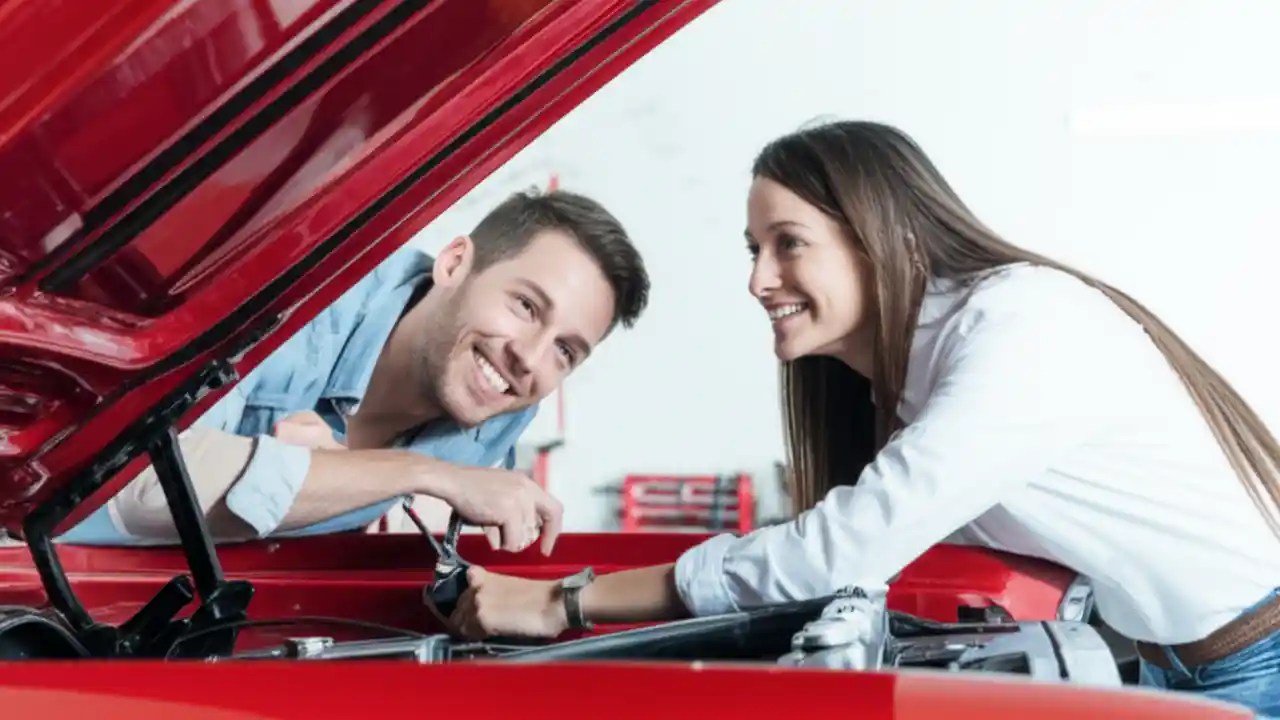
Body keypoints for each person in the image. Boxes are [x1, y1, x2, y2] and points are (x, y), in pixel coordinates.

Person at [448, 121, 1280, 716]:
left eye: (788, 242)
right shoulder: (914, 380)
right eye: (753, 249)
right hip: (1181, 665)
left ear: (878, 235)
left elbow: (836, 550)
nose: (759, 281)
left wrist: (563, 604)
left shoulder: (1019, 326)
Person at [57, 188, 650, 555]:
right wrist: (410, 473)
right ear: (453, 263)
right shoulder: (304, 297)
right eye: (525, 306)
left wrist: (328, 475)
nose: (530, 358)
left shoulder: (498, 411)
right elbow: (138, 488)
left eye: (566, 351)